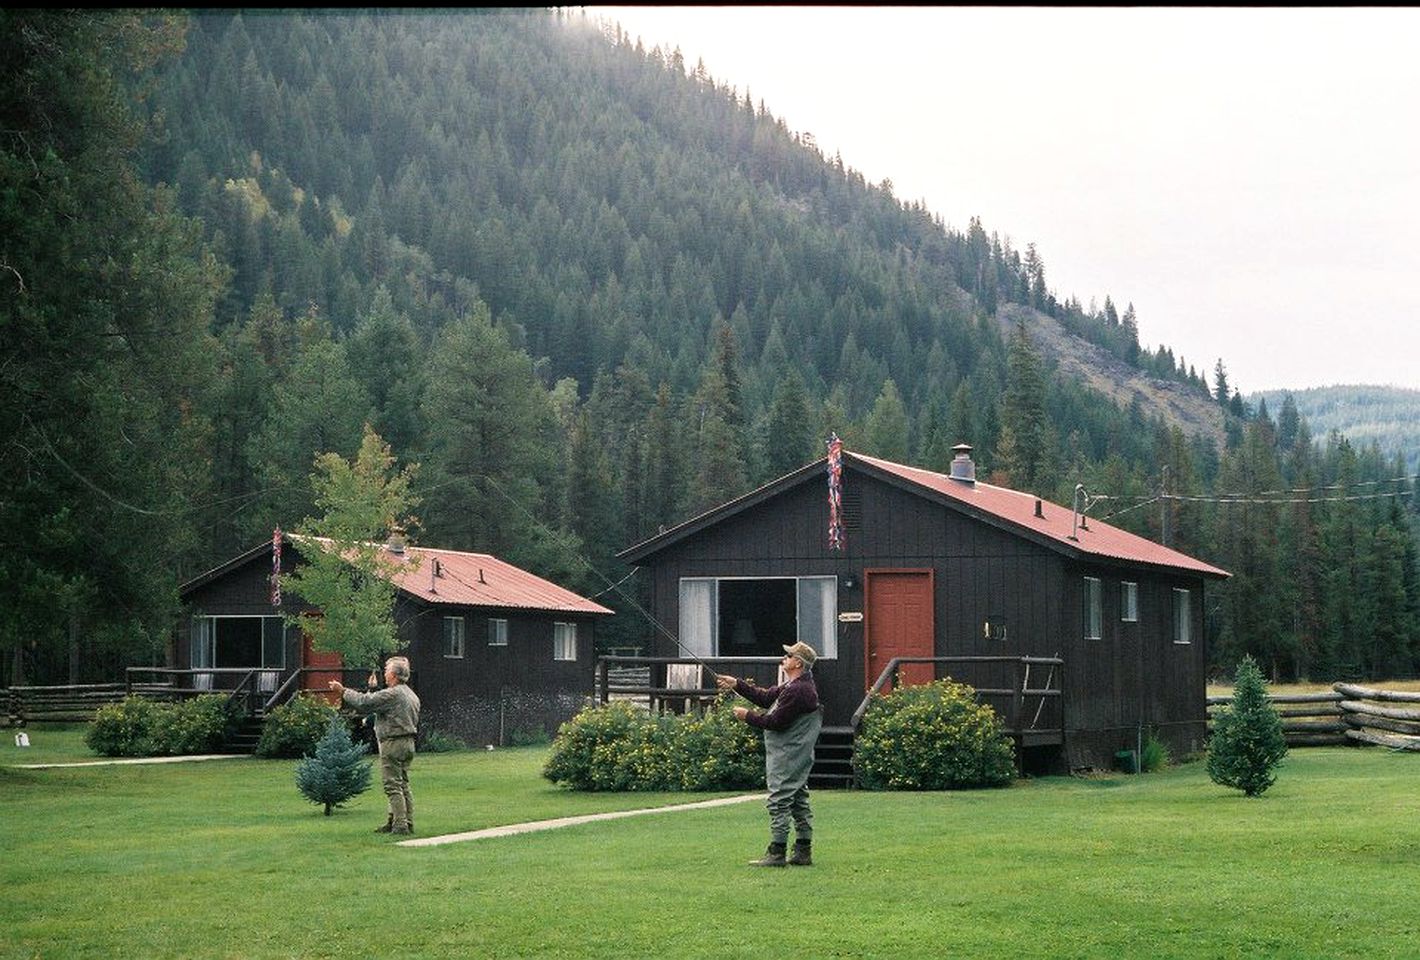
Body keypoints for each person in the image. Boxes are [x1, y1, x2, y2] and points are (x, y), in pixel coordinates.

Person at [716, 641, 822, 867]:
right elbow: (765, 697)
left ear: (798, 663)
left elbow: (775, 722)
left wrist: (748, 716)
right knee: (798, 800)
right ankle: (803, 851)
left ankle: (777, 852)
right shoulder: (794, 686)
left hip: (787, 754)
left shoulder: (798, 691)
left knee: (779, 800)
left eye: (789, 656)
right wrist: (737, 684)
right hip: (795, 753)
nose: (784, 659)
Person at [329, 655, 420, 835]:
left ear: (394, 674)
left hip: (392, 743)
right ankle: (403, 821)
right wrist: (372, 688)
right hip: (408, 743)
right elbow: (379, 703)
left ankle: (399, 825)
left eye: (386, 671)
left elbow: (365, 703)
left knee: (392, 785)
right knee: (403, 784)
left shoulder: (393, 693)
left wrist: (343, 691)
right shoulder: (410, 694)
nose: (384, 674)